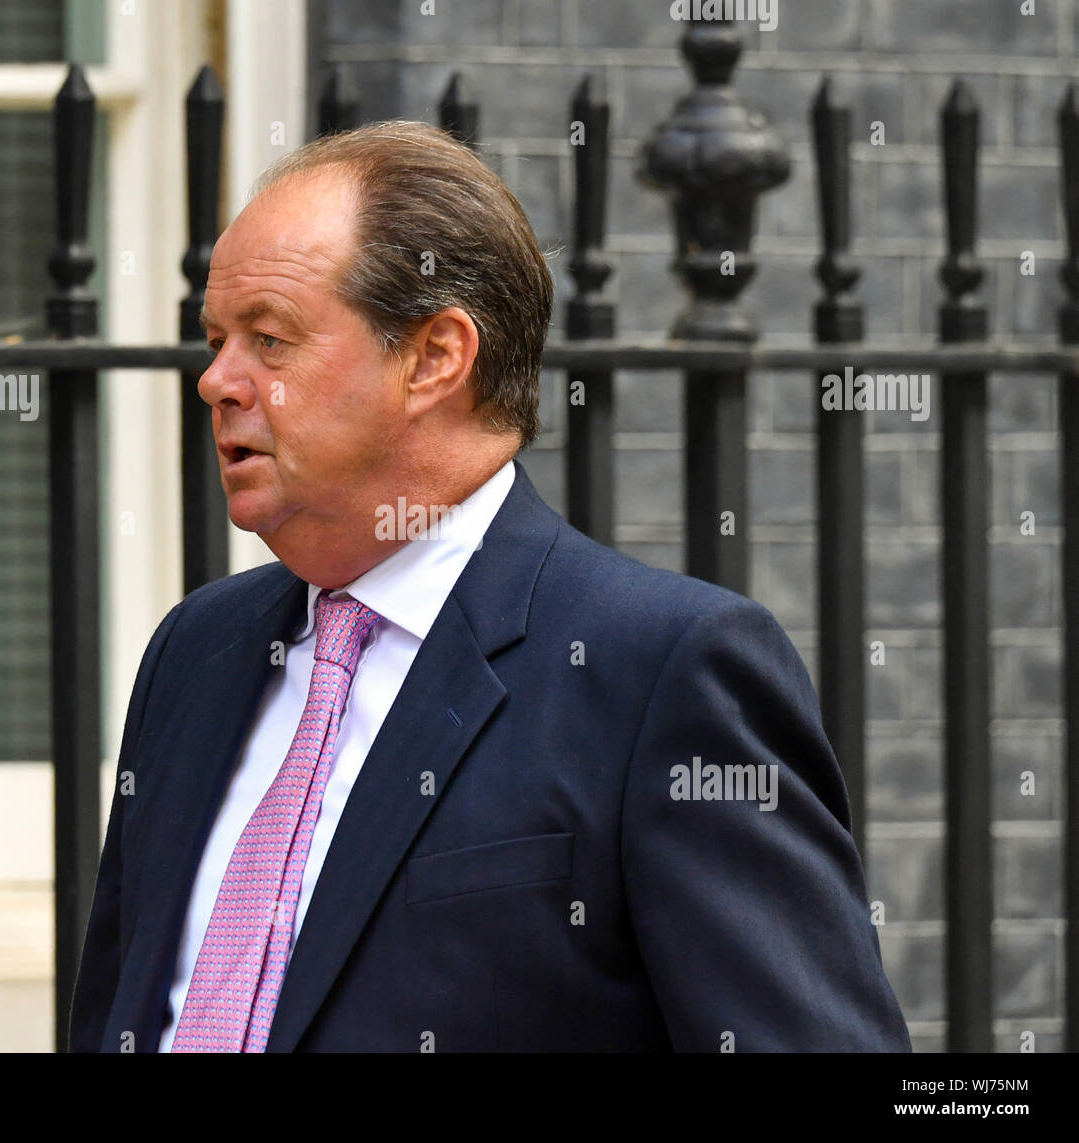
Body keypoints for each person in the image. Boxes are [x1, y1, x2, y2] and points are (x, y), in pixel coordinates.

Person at [68, 119, 910, 1053]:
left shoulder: (663, 671)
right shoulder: (196, 651)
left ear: (436, 357)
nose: (217, 380)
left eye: (269, 339)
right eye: (216, 339)